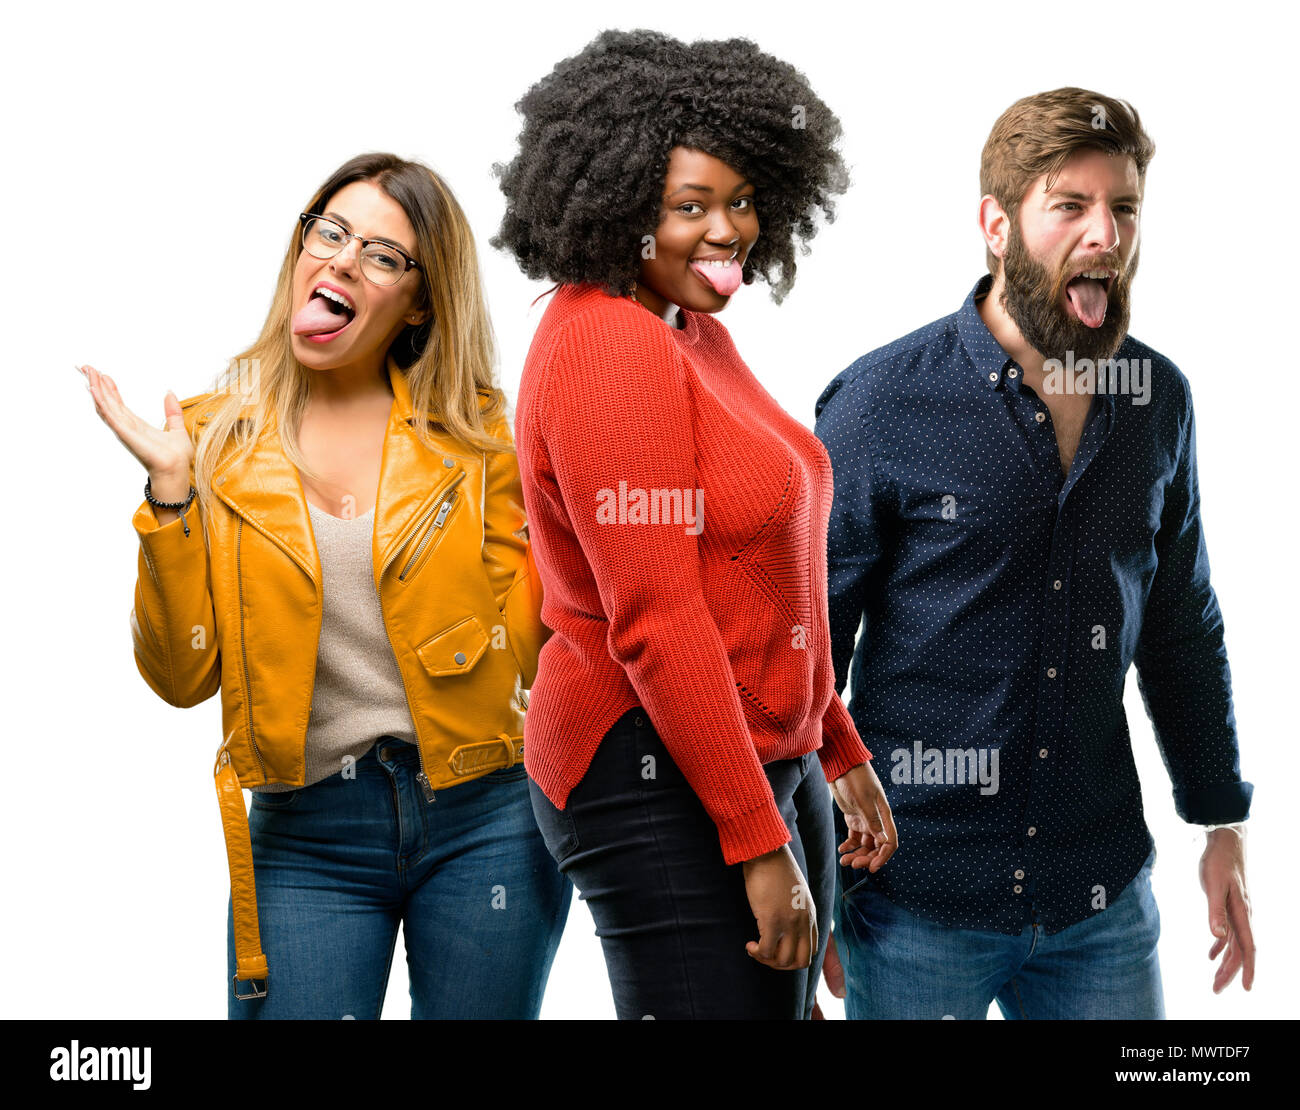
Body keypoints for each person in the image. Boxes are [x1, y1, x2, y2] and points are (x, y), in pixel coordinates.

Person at [81, 152, 570, 1019]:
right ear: (302, 248)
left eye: (382, 254)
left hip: (486, 815)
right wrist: (170, 499)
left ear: (420, 300)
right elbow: (180, 676)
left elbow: (532, 649)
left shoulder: (478, 434)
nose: (343, 260)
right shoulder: (208, 441)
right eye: (331, 232)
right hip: (305, 834)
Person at [815, 88, 1255, 1019]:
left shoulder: (1156, 402)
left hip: (1099, 899)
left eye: (1124, 208)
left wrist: (1220, 818)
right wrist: (806, 869)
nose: (1105, 234)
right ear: (997, 224)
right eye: (1071, 205)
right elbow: (804, 649)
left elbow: (1181, 625)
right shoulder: (881, 403)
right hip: (914, 899)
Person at [492, 29, 897, 1020]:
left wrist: (833, 743)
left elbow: (756, 573)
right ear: (621, 204)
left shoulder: (693, 333)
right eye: (689, 206)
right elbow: (657, 621)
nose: (728, 230)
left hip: (761, 751)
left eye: (743, 199)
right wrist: (756, 845)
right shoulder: (608, 346)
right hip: (646, 768)